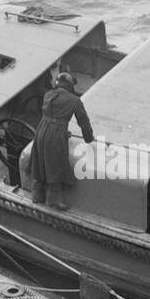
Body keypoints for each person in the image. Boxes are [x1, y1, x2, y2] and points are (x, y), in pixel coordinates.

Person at [31, 71, 94, 210]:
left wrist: (62, 131)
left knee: (40, 160)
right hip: (56, 135)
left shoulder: (48, 95)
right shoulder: (74, 100)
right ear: (70, 85)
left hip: (41, 130)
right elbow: (83, 121)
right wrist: (89, 139)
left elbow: (51, 117)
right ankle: (53, 200)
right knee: (56, 163)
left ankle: (37, 195)